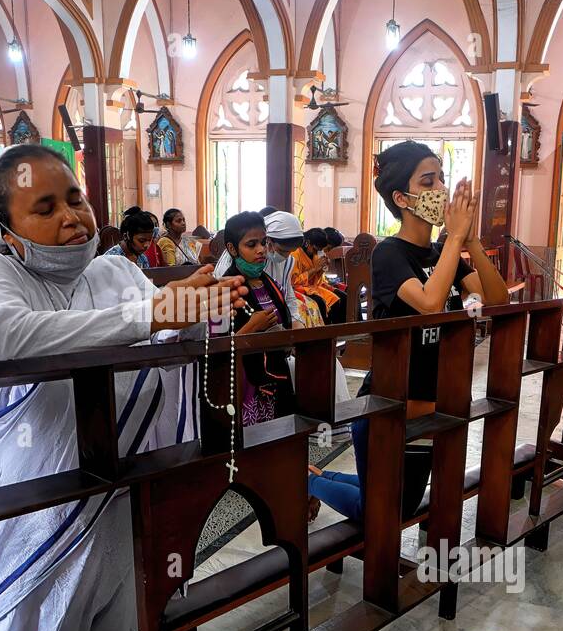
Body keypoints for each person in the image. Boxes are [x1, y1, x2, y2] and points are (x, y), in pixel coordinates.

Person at [0, 144, 246, 631]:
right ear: (6, 230)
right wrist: (153, 312)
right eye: (45, 207)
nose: (72, 216)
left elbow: (162, 333)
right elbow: (12, 336)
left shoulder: (114, 272)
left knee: (114, 596)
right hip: (29, 485)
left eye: (75, 198)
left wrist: (196, 311)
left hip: (118, 475)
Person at [306, 141, 510, 523]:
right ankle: (311, 483)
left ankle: (320, 476)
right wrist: (453, 240)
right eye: (428, 181)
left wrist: (469, 240)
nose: (441, 191)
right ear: (401, 197)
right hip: (389, 406)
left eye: (442, 180)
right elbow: (429, 303)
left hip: (436, 402)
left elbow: (495, 300)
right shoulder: (389, 254)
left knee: (397, 502)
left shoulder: (440, 254)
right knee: (383, 512)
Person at [215, 210, 296, 424]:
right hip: (245, 384)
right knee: (253, 450)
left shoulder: (270, 284)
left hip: (277, 378)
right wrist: (252, 326)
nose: (261, 250)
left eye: (263, 242)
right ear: (232, 249)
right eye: (251, 245)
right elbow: (217, 349)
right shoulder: (224, 289)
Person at [292, 227, 346, 324]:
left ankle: (337, 333)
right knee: (320, 302)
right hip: (298, 288)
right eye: (315, 249)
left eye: (319, 251)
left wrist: (321, 269)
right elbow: (294, 281)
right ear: (308, 242)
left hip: (312, 286)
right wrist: (315, 269)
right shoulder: (295, 254)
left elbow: (316, 281)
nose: (316, 253)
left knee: (337, 299)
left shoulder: (314, 254)